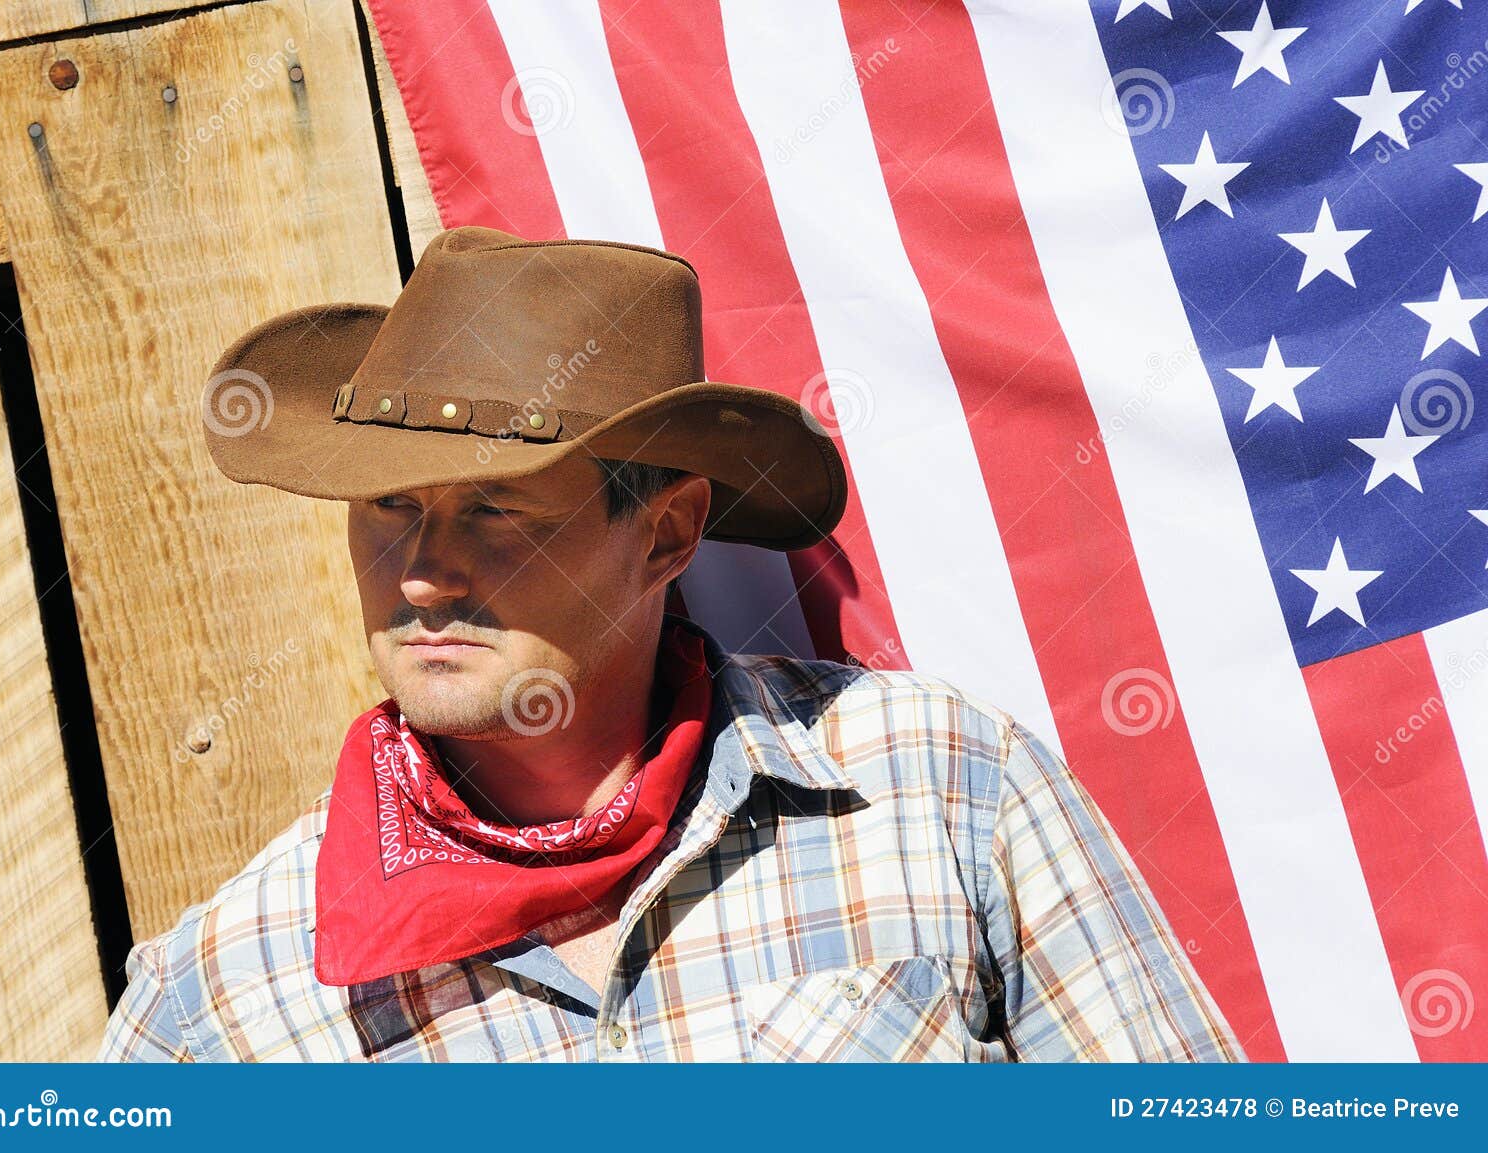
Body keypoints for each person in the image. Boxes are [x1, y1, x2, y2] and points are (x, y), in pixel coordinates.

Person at [97, 225, 1242, 1062]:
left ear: (666, 535)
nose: (424, 569)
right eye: (390, 505)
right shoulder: (229, 994)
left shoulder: (937, 783)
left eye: (498, 509)